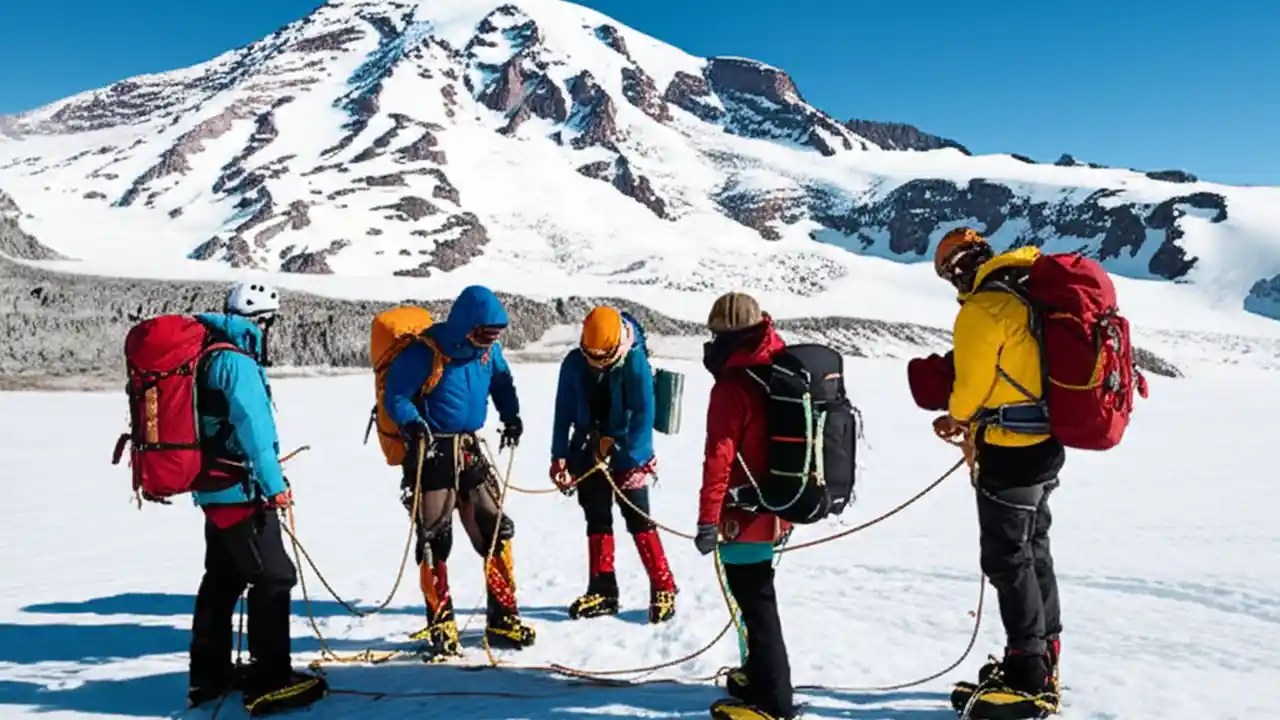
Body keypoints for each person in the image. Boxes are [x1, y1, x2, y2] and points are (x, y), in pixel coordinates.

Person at [932, 228, 1064, 718]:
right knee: (1035, 550)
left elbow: (970, 389)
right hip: (1048, 444)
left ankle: (1026, 670)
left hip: (1010, 448)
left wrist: (954, 417)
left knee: (1008, 558)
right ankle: (1043, 658)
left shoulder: (983, 310)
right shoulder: (1028, 291)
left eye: (951, 274)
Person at [188, 282, 328, 715]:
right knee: (274, 577)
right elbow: (254, 429)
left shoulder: (208, 353)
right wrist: (274, 485)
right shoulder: (236, 361)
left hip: (213, 486)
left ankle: (209, 676)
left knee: (224, 577)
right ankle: (271, 679)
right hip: (239, 491)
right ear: (263, 320)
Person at [384, 285, 535, 659]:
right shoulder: (425, 352)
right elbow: (396, 395)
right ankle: (441, 624)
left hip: (468, 449)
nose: (490, 341)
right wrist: (412, 423)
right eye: (485, 333)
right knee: (435, 539)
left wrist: (511, 416)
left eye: (495, 335)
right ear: (468, 325)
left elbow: (502, 382)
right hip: (431, 453)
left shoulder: (488, 355)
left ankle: (503, 616)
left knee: (496, 528)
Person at [694, 292, 797, 720]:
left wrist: (707, 521)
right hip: (779, 508)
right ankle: (758, 675)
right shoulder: (780, 369)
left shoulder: (733, 387)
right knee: (756, 599)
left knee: (756, 605)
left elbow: (719, 457)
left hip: (744, 516)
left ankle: (774, 703)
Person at [549, 306, 677, 624]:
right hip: (587, 449)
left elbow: (642, 416)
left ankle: (664, 587)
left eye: (601, 357)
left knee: (639, 519)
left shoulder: (634, 362)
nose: (595, 362)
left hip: (629, 454)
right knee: (597, 518)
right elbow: (562, 411)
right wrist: (559, 455)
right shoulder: (573, 363)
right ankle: (603, 589)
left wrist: (622, 454)